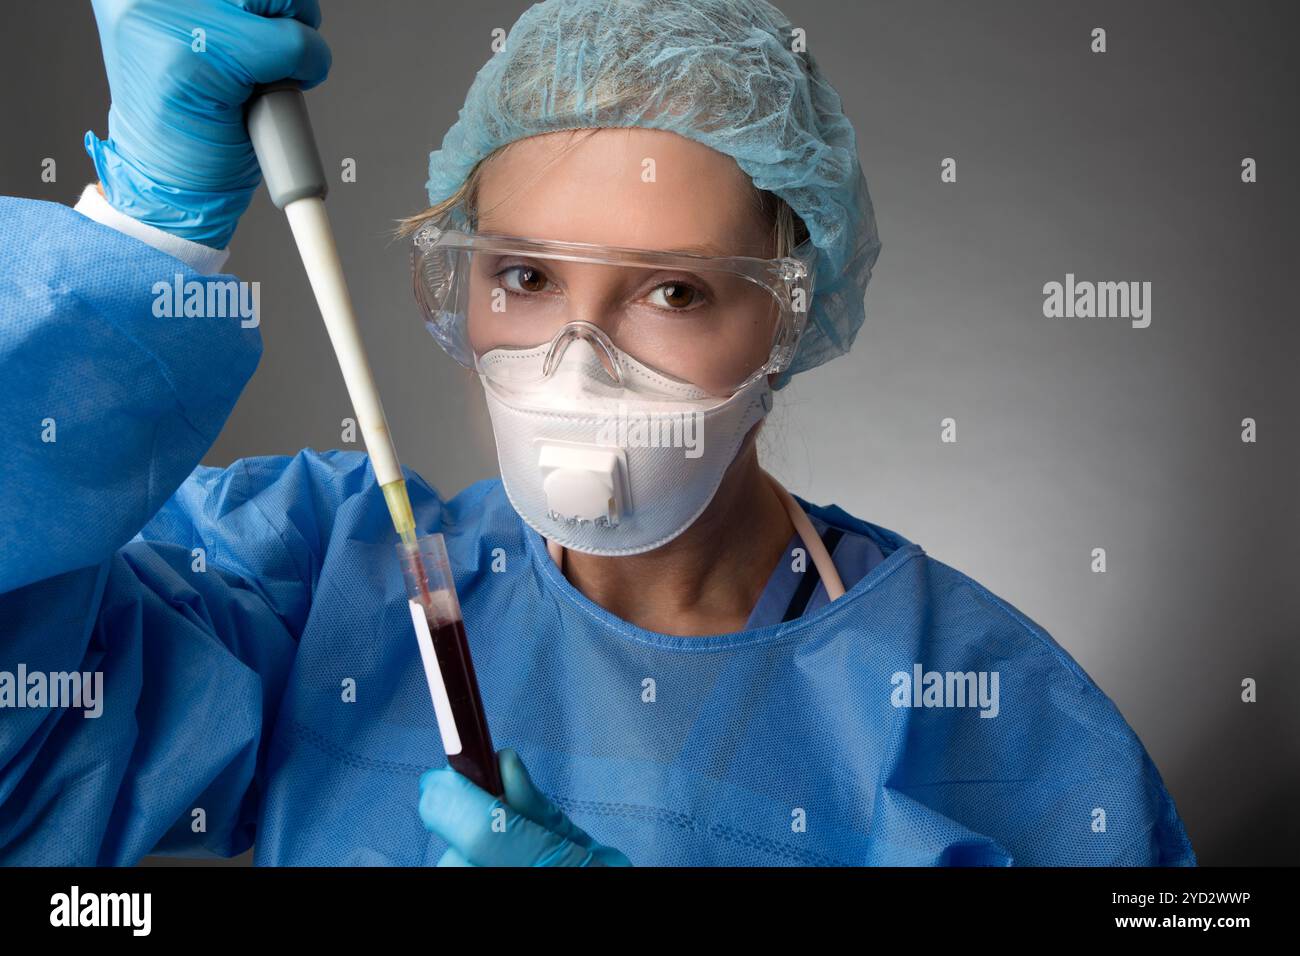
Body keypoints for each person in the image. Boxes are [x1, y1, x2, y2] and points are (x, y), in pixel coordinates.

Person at [0, 0, 1195, 867]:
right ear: (456, 292)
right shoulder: (314, 581)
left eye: (671, 291)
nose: (576, 360)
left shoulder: (981, 710)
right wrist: (150, 219)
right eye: (522, 275)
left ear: (787, 315)